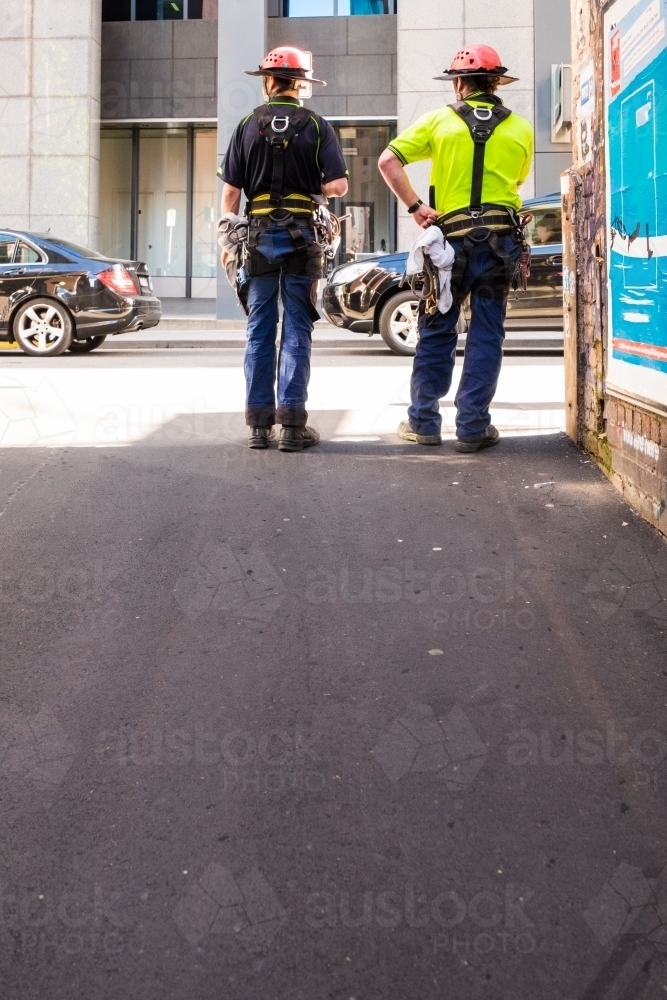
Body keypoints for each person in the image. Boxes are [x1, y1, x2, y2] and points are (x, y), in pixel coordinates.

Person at [378, 45, 534, 453]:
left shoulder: (438, 121)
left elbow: (388, 161)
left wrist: (416, 206)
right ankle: (473, 427)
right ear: (496, 83)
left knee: (437, 329)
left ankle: (424, 423)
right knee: (487, 333)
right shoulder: (521, 128)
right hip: (500, 244)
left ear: (459, 83)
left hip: (451, 245)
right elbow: (516, 185)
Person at [219, 47, 348, 451]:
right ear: (301, 84)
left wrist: (227, 240)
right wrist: (310, 183)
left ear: (268, 81)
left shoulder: (246, 124)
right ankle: (292, 426)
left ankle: (259, 427)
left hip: (258, 239)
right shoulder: (318, 126)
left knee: (259, 329)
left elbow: (231, 194)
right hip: (302, 239)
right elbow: (338, 186)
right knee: (297, 328)